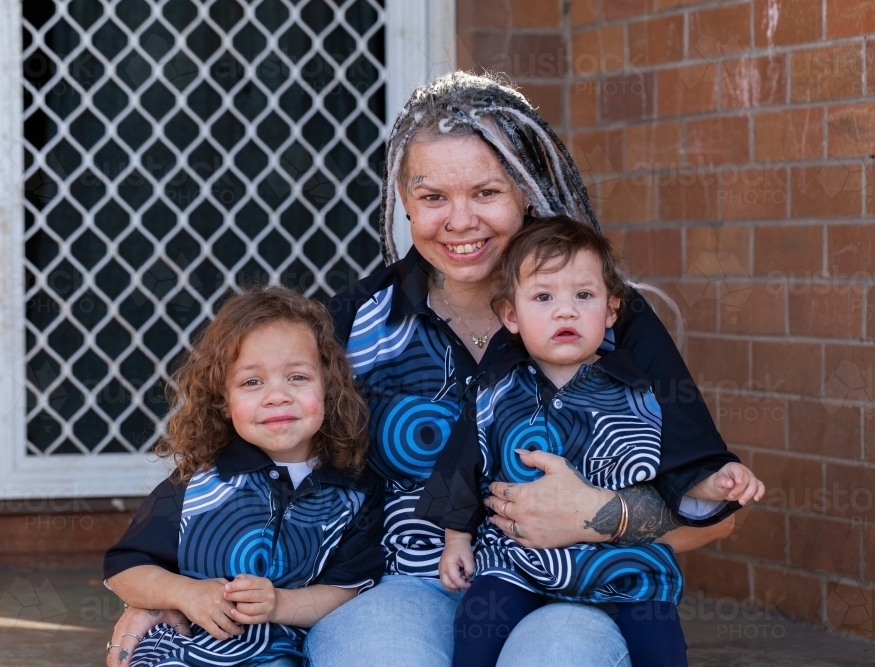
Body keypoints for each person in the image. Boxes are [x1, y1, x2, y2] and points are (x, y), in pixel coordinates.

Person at [107, 71, 746, 667]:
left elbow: (715, 509)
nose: (459, 221)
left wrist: (596, 514)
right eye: (433, 196)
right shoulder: (355, 323)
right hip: (404, 586)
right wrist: (173, 586)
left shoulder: (607, 318)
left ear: (525, 191)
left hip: (582, 589)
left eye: (487, 192)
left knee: (560, 655)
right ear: (404, 202)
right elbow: (253, 457)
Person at [419, 216, 765, 667]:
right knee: (475, 627)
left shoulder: (641, 392)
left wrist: (719, 480)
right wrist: (456, 540)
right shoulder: (495, 391)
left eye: (583, 296)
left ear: (611, 310)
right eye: (543, 297)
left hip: (625, 566)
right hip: (518, 564)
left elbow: (682, 465)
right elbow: (463, 464)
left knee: (662, 649)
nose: (566, 311)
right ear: (510, 315)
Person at [102, 287, 384, 666]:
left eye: (297, 377)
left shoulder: (353, 492)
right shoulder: (198, 483)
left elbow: (344, 588)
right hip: (183, 649)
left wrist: (280, 603)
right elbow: (125, 569)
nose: (277, 396)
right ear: (223, 400)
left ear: (329, 388)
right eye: (252, 382)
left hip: (278, 652)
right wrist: (186, 593)